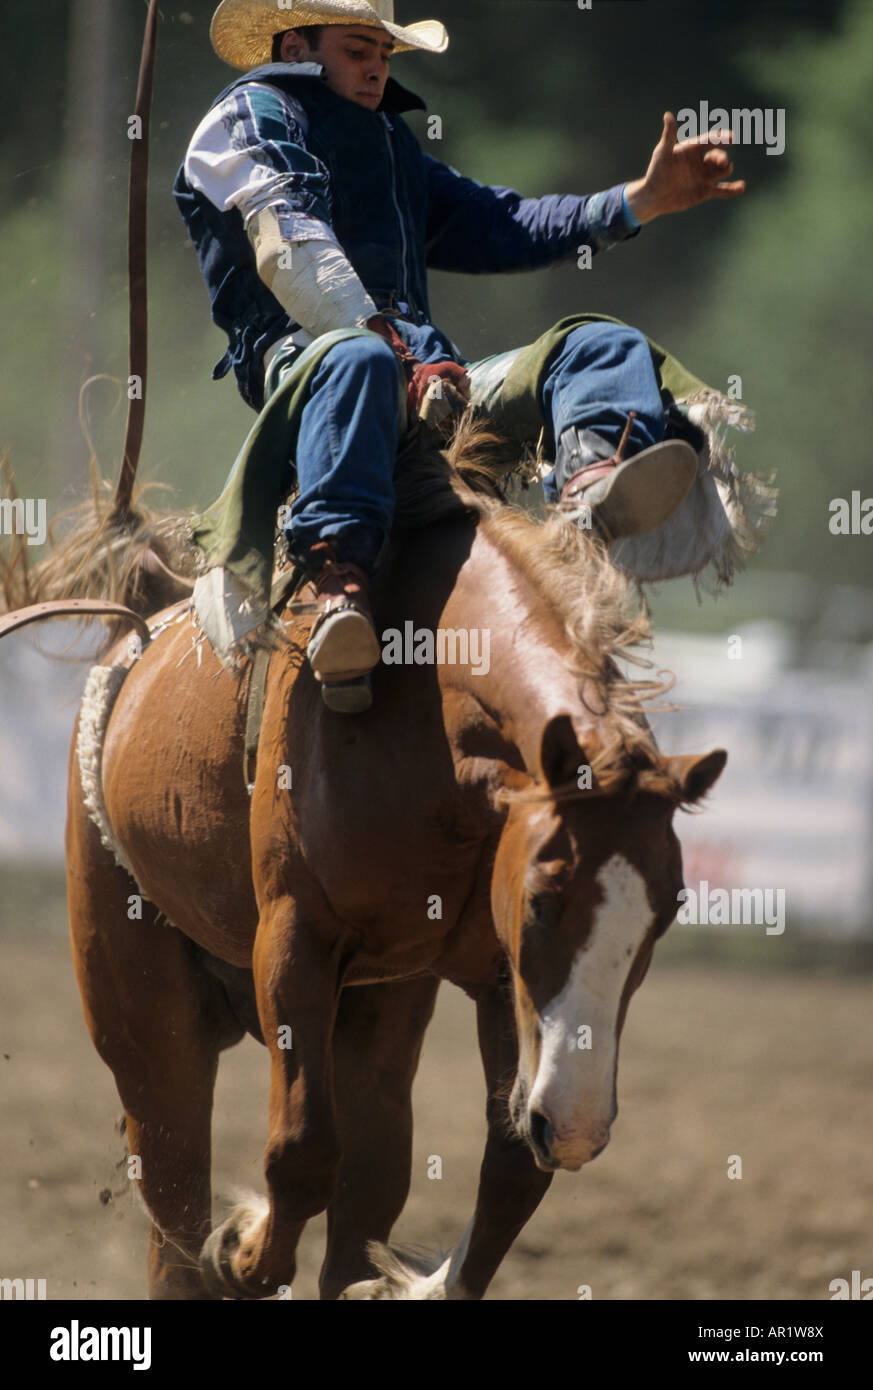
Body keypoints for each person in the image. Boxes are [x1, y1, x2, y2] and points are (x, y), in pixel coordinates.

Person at [175, 0, 747, 709]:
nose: (378, 67)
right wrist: (394, 352)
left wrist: (636, 201)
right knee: (358, 358)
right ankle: (339, 588)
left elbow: (502, 222)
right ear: (296, 44)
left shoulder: (390, 144)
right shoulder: (249, 116)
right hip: (314, 375)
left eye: (385, 54)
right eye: (359, 49)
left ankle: (586, 496)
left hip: (427, 381)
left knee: (599, 345)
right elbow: (289, 246)